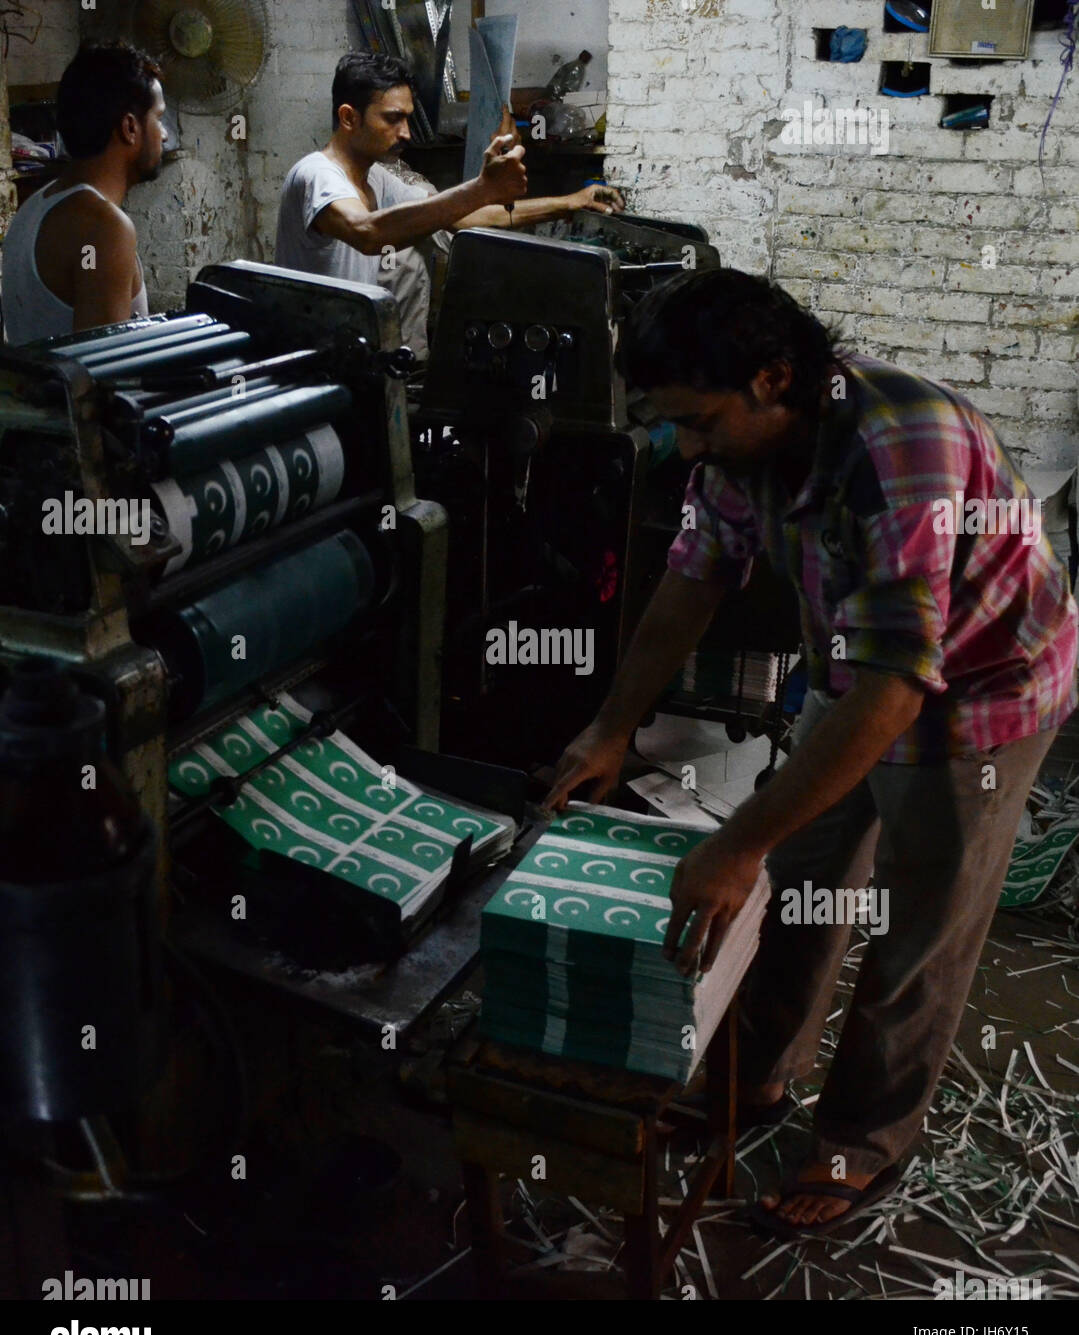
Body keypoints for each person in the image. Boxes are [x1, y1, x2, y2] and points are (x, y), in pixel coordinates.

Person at [543, 267, 1078, 1238]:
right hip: (858, 677)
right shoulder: (736, 456)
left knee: (916, 934)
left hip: (982, 696)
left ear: (771, 379)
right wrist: (612, 725)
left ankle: (859, 1147)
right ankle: (752, 1083)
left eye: (696, 420)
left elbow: (893, 692)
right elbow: (689, 583)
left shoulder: (895, 445)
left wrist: (732, 841)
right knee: (795, 888)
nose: (685, 447)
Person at [275, 53, 624, 357]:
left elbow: (466, 217)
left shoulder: (377, 179)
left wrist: (572, 202)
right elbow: (368, 233)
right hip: (311, 365)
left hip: (350, 356)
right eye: (393, 118)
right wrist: (480, 188)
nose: (407, 133)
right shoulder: (317, 175)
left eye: (408, 119)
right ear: (349, 118)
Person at [2, 41, 165, 346]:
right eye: (158, 118)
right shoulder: (104, 227)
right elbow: (102, 377)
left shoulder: (36, 205)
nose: (164, 133)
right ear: (130, 127)